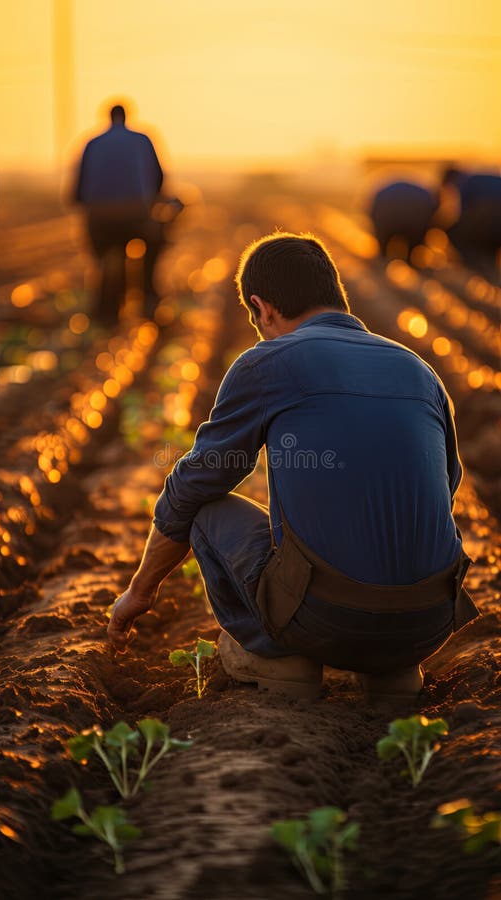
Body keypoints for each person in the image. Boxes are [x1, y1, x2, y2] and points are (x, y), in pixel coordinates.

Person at [107, 233, 478, 704]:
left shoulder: (269, 362)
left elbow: (193, 484)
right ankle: (393, 670)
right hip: (428, 625)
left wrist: (139, 592)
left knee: (203, 506)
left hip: (322, 618)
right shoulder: (421, 372)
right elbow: (445, 489)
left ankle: (280, 657)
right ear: (336, 294)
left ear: (262, 308)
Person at [73, 104, 179, 324]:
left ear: (108, 118)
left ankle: (105, 306)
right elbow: (158, 179)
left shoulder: (91, 143)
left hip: (99, 217)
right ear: (127, 117)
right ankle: (148, 294)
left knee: (103, 258)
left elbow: (77, 189)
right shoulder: (143, 140)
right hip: (135, 213)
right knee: (154, 244)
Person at [370, 180, 438, 259]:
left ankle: (383, 257)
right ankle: (410, 261)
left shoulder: (381, 195)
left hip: (386, 212)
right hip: (416, 218)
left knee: (383, 251)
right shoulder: (425, 196)